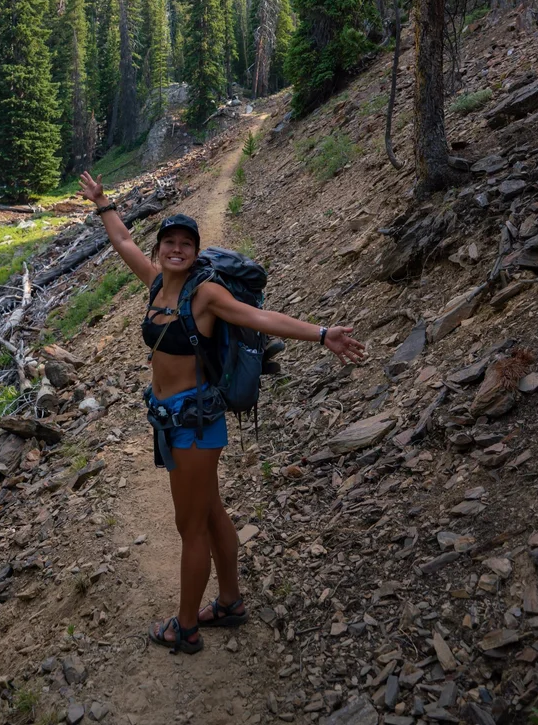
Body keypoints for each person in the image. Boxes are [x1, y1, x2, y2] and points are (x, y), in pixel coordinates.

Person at [78, 169, 366, 655]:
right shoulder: (155, 285)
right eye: (168, 241)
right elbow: (123, 240)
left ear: (195, 252)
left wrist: (321, 334)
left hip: (192, 424)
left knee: (189, 528)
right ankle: (230, 602)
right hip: (172, 421)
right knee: (210, 515)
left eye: (184, 244)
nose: (175, 249)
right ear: (160, 251)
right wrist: (104, 203)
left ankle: (185, 627)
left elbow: (258, 318)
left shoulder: (206, 293)